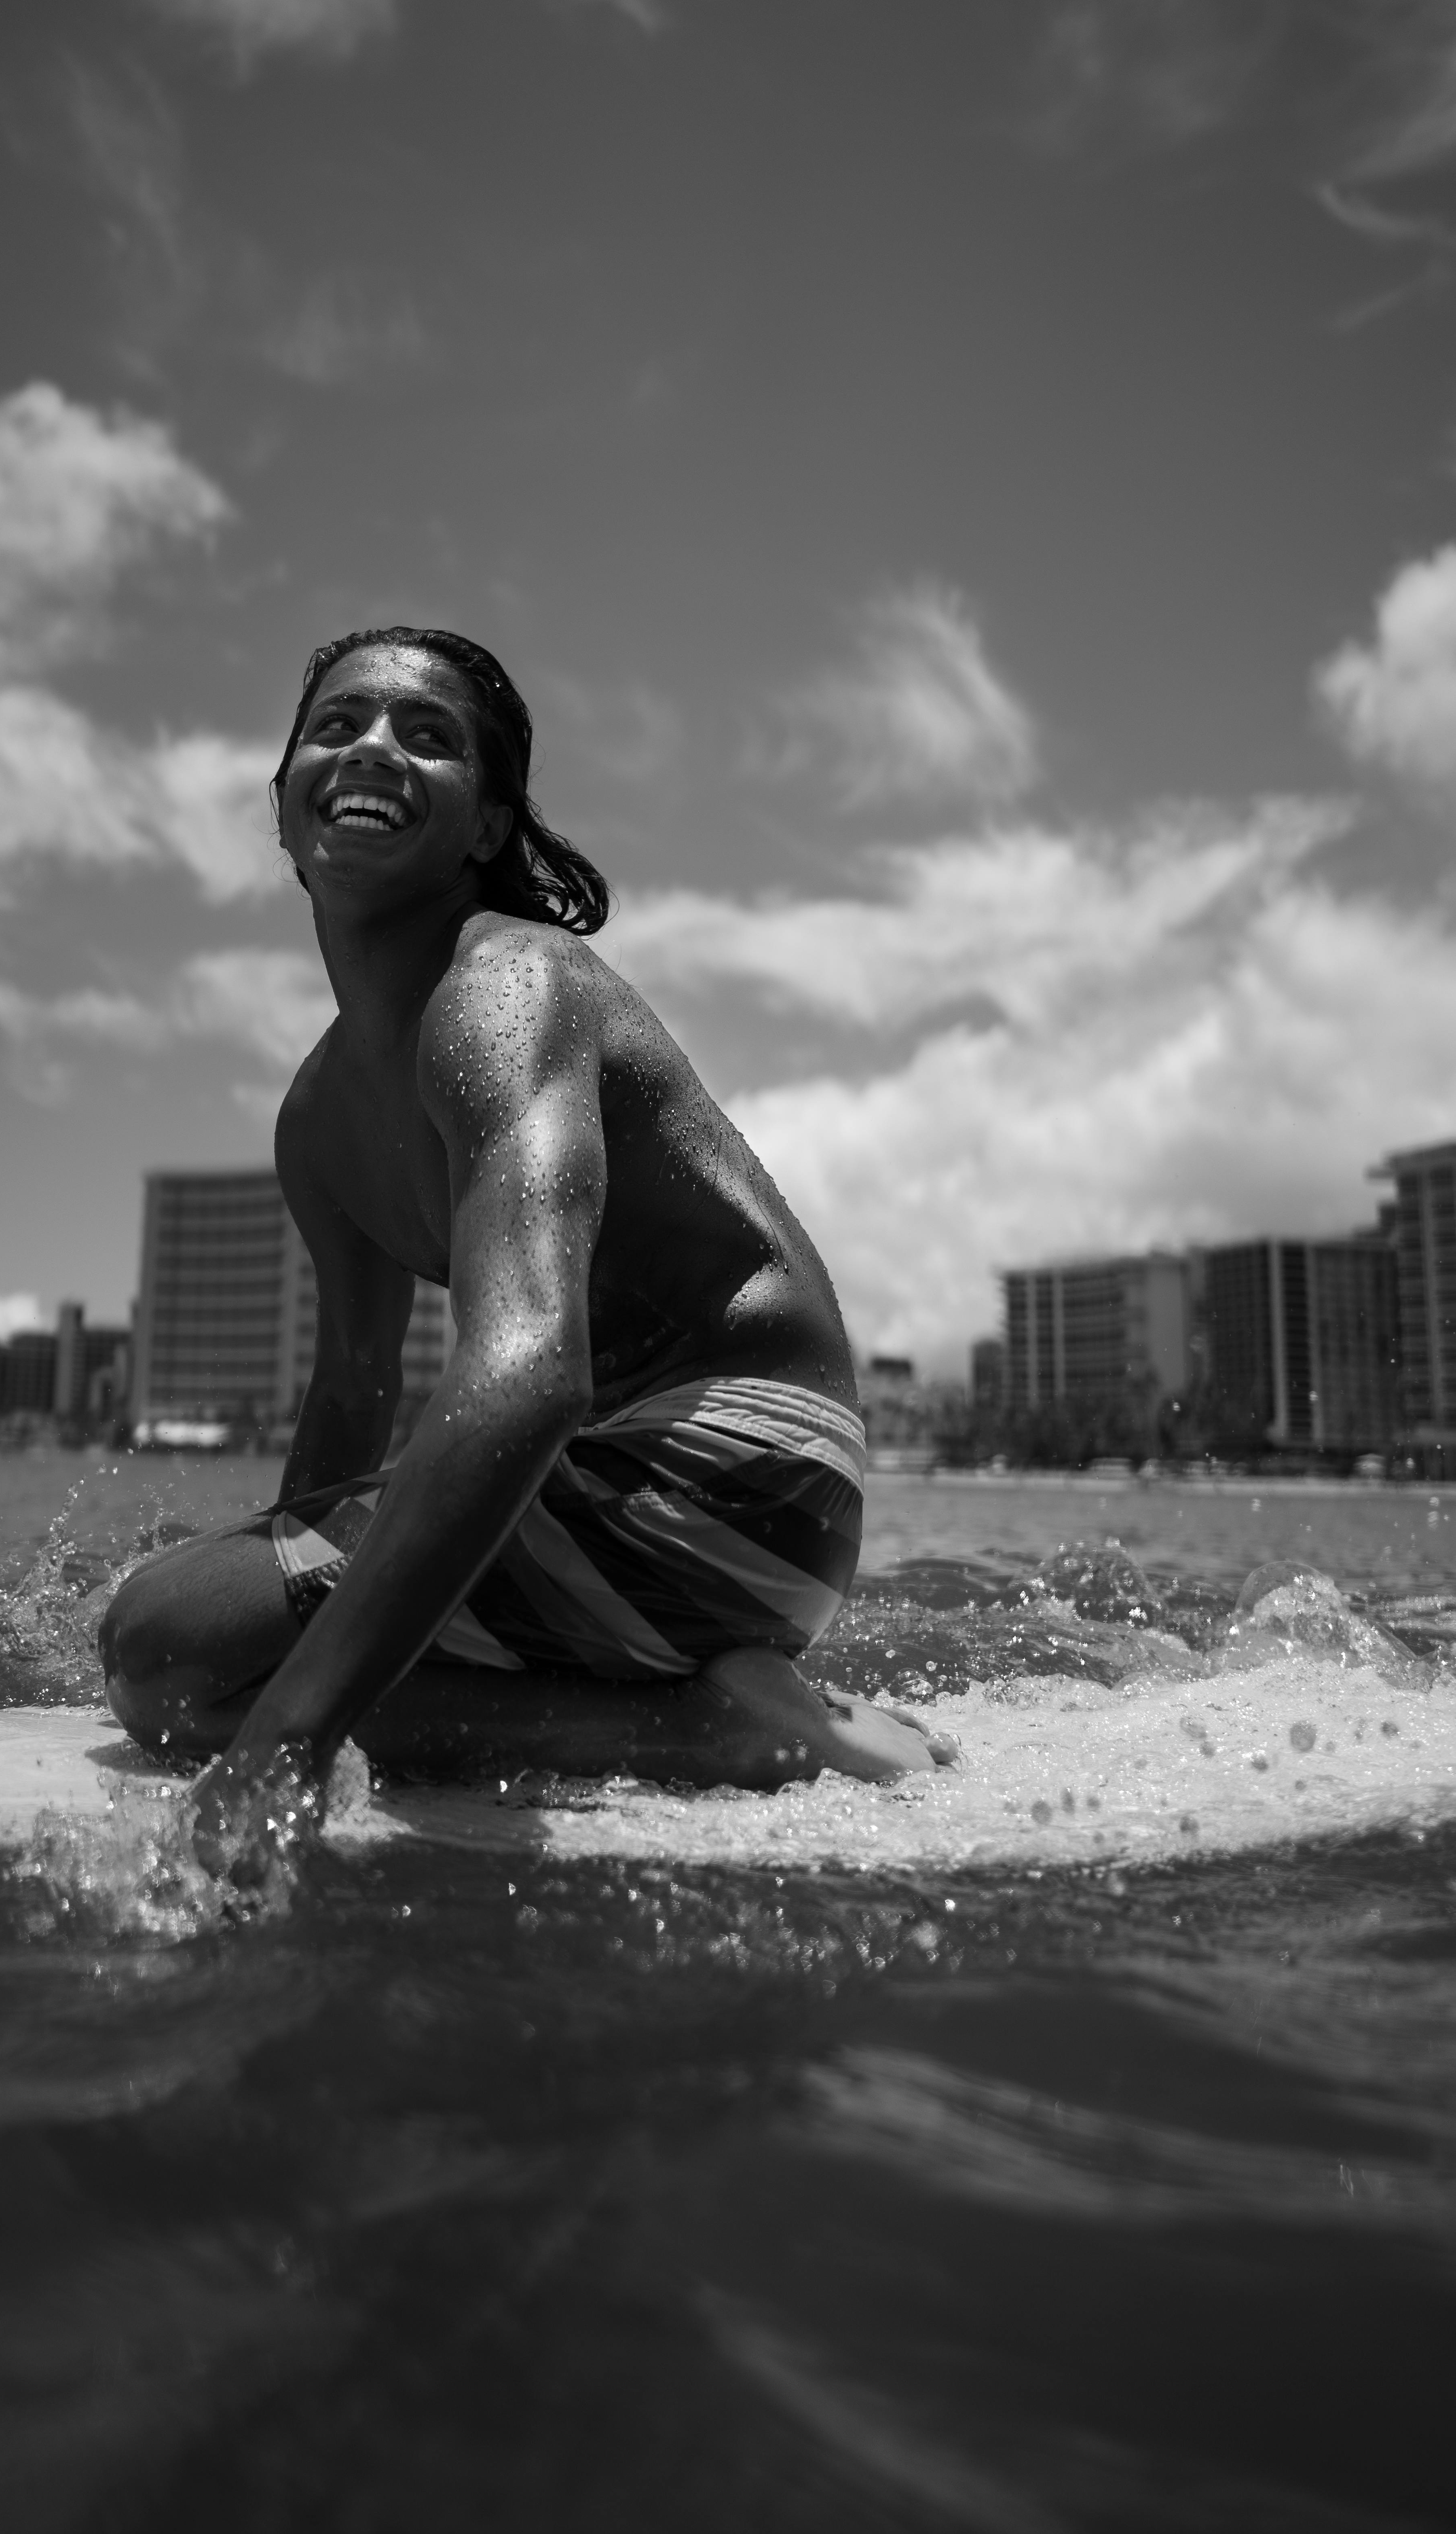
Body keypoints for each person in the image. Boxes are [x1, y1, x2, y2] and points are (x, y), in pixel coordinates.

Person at [100, 626, 953, 1874]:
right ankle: (700, 1717)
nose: (373, 748)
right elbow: (351, 1392)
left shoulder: (506, 989)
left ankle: (706, 1733)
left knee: (154, 1645)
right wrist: (274, 1622)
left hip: (735, 1468)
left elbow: (535, 1364)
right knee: (202, 1647)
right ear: (282, 805)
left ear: (489, 824)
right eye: (335, 726)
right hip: (681, 1516)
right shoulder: (317, 1119)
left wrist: (282, 1739)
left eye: (427, 736)